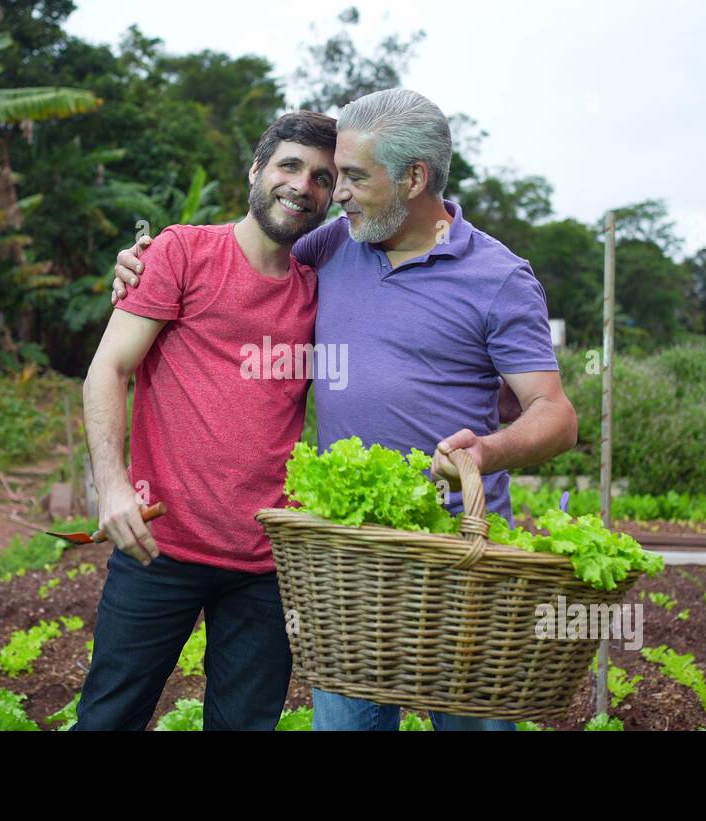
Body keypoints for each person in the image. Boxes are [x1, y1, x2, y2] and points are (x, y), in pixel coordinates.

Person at [112, 89, 577, 730]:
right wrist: (147, 259)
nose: (339, 195)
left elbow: (554, 414)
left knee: (471, 722)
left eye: (354, 177)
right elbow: (251, 251)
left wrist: (489, 451)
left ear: (414, 178)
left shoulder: (499, 278)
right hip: (350, 559)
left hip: (456, 561)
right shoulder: (333, 245)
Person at [73, 111, 339, 730]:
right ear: (256, 170)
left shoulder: (319, 288)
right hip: (158, 547)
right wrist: (112, 488)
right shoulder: (182, 252)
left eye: (323, 177)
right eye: (290, 166)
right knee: (107, 719)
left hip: (267, 563)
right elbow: (107, 370)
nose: (304, 186)